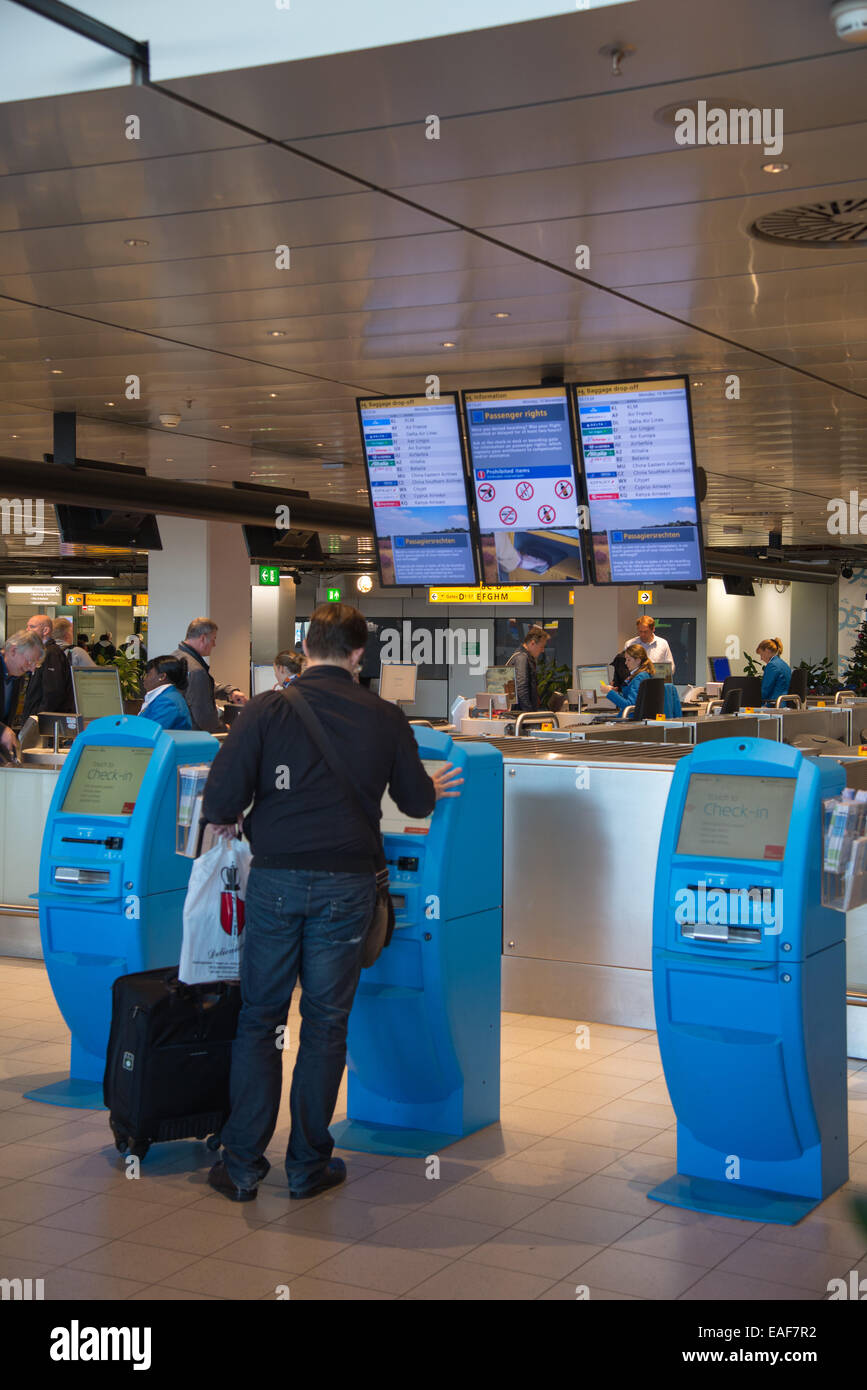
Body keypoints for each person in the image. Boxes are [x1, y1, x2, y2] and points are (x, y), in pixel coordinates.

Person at [200, 603, 464, 1203]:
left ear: (308, 646)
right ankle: (307, 1165)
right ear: (357, 655)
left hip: (274, 885)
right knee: (324, 1024)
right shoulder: (384, 715)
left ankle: (241, 1164)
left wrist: (230, 818)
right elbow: (416, 802)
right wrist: (432, 783)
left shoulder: (266, 708)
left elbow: (220, 794)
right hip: (347, 889)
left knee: (260, 1020)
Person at [171, 618, 248, 734]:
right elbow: (205, 718)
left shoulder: (176, 656)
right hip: (194, 737)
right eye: (213, 639)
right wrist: (225, 728)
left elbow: (198, 687)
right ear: (202, 639)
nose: (214, 644)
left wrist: (229, 692)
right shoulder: (196, 670)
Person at [0, 630, 44, 759]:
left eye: (36, 664)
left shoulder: (16, 676)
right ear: (13, 651)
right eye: (29, 661)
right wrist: (2, 731)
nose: (31, 669)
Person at [21, 614, 74, 718]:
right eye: (27, 626)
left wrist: (39, 718)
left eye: (32, 627)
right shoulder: (43, 652)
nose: (27, 630)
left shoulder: (51, 654)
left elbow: (53, 692)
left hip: (44, 722)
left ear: (45, 630)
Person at [600, 643, 654, 719]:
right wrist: (616, 693)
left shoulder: (639, 677)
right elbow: (632, 700)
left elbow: (629, 706)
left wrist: (609, 692)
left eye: (628, 660)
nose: (625, 663)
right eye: (626, 659)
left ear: (638, 660)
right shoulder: (643, 675)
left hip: (630, 719)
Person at [139, 655, 193, 730]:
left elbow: (150, 733)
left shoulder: (167, 701)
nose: (145, 678)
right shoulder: (168, 696)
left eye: (148, 674)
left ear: (162, 677)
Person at [506, 625, 549, 712]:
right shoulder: (522, 658)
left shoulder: (522, 656)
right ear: (532, 643)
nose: (543, 650)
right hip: (520, 715)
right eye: (541, 646)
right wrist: (529, 715)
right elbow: (521, 688)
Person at [757, 638, 792, 707]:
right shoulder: (784, 664)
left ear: (767, 651)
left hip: (774, 705)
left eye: (761, 654)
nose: (761, 658)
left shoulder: (772, 665)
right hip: (784, 703)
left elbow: (765, 691)